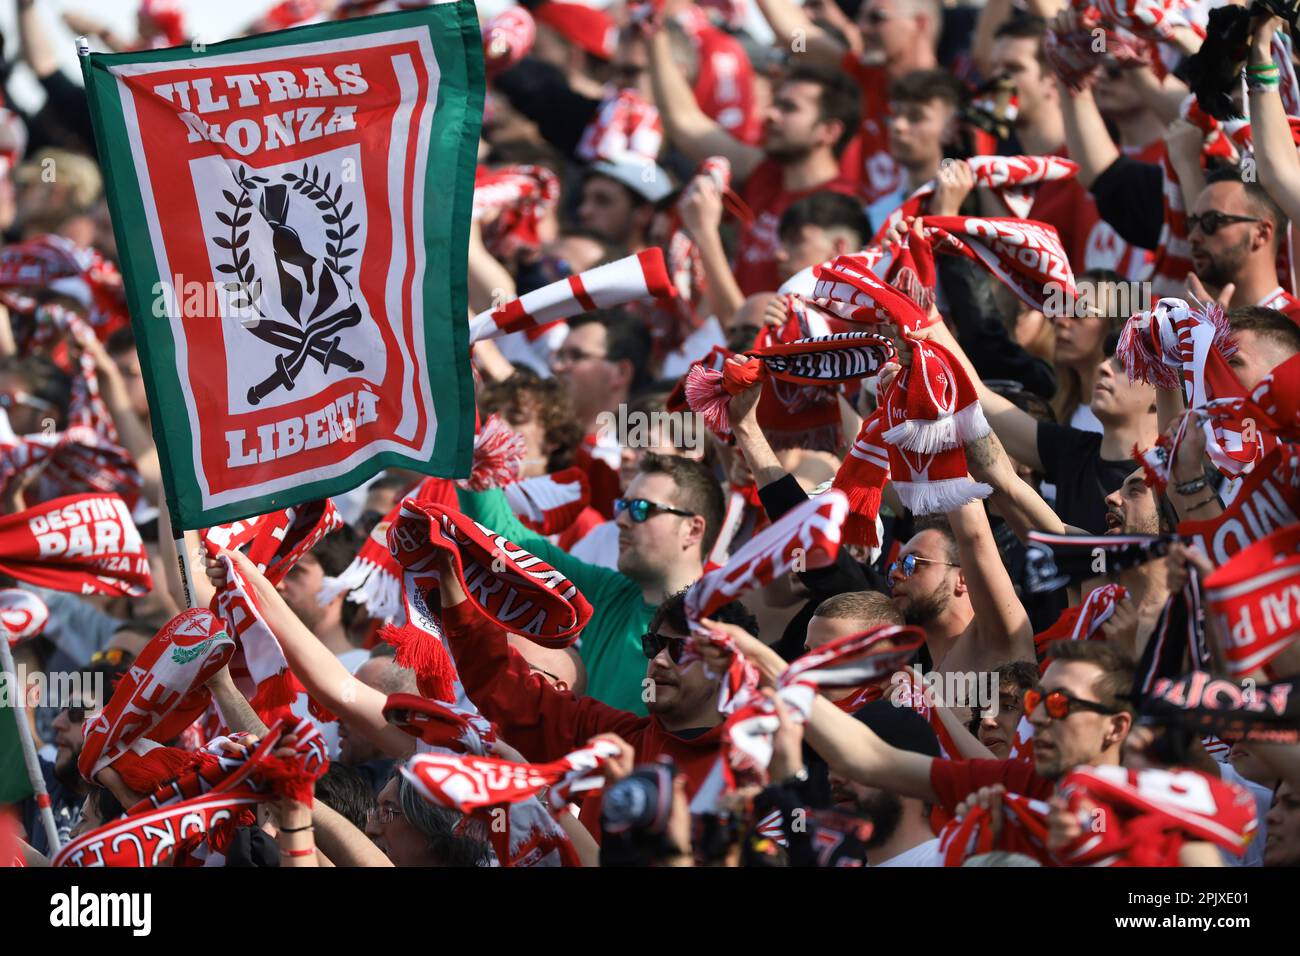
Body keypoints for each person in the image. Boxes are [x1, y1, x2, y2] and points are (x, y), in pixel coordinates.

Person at [458, 452, 724, 713]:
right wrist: (477, 463)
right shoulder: (608, 592)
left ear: (693, 530)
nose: (621, 521)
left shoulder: (720, 631)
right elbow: (509, 544)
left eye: (640, 509)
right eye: (622, 505)